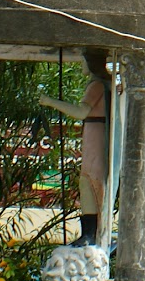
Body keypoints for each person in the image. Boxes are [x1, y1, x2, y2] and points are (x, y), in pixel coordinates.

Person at [38, 50, 111, 246]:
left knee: (89, 181)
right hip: (96, 132)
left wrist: (50, 101)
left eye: (83, 62)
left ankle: (90, 233)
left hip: (96, 134)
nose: (81, 66)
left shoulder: (97, 85)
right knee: (89, 181)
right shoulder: (106, 85)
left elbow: (81, 111)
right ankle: (90, 232)